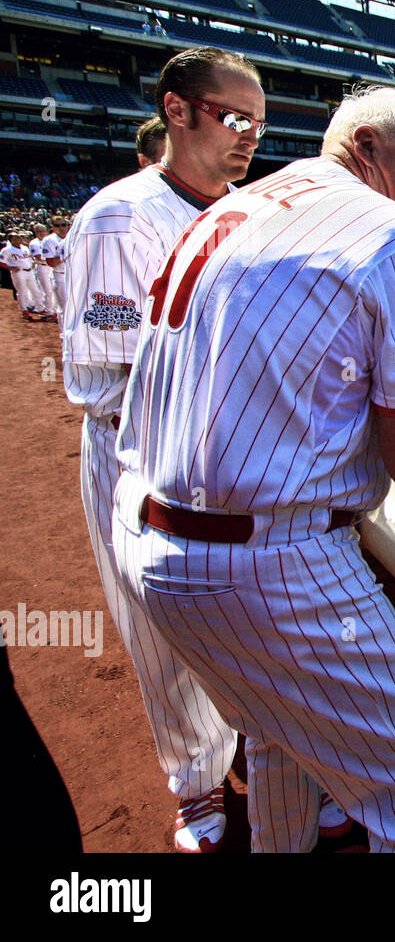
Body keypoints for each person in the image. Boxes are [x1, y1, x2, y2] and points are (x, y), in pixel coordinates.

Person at [111, 85, 395, 853]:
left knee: (279, 737)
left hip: (150, 537)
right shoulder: (394, 235)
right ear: (367, 145)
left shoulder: (231, 207)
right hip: (271, 560)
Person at [60, 47, 266, 852]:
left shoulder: (253, 213)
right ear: (177, 110)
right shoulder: (119, 216)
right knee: (160, 629)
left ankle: (268, 747)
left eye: (259, 121)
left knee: (252, 618)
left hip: (234, 454)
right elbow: (105, 381)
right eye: (233, 116)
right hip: (138, 453)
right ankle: (195, 780)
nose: (249, 135)